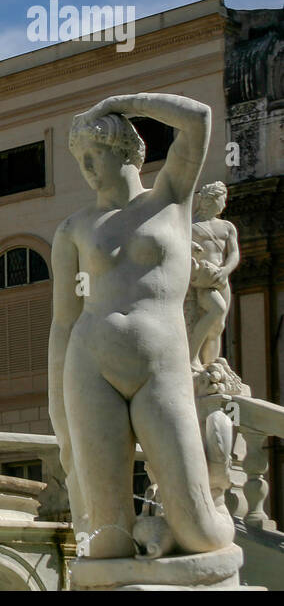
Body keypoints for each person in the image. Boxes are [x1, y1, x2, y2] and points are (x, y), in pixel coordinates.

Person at [49, 94, 235, 559]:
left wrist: (121, 103)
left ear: (128, 152)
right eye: (80, 160)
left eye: (96, 155)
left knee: (203, 534)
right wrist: (58, 412)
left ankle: (183, 517)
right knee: (106, 542)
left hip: (161, 369)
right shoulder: (74, 228)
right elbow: (62, 323)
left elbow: (199, 119)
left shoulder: (171, 198)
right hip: (90, 367)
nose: (88, 169)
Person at [187, 181, 239, 369]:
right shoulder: (190, 225)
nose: (224, 204)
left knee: (219, 326)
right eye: (221, 200)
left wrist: (225, 270)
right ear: (210, 201)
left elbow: (234, 254)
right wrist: (190, 246)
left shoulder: (227, 227)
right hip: (202, 279)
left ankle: (210, 365)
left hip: (221, 278)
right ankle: (192, 358)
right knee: (216, 309)